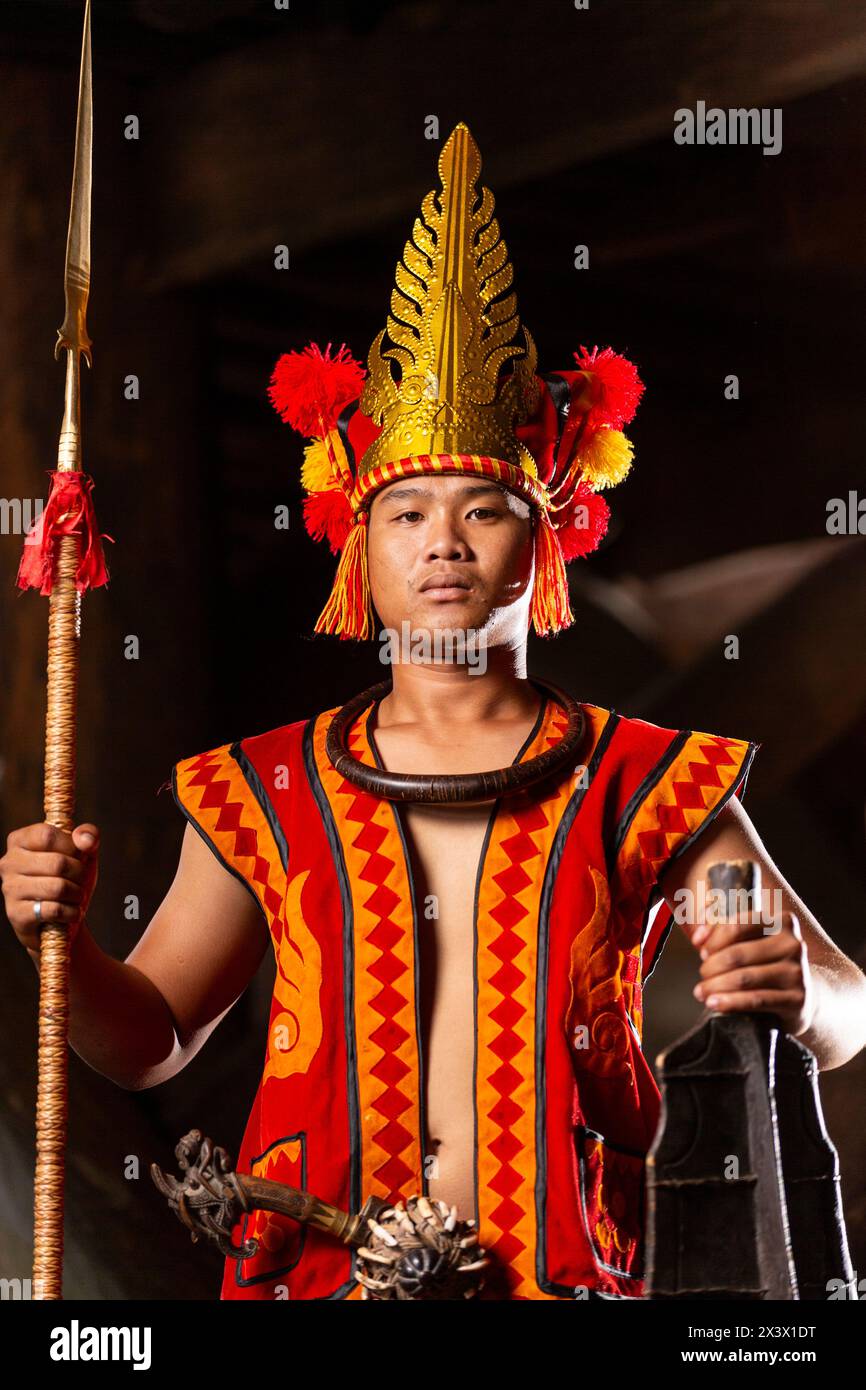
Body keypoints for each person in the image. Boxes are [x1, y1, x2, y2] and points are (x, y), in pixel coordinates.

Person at [3, 125, 865, 1302]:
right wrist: (61, 943)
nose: (443, 542)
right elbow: (151, 1041)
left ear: (547, 536)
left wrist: (792, 986)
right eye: (405, 513)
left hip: (578, 1275)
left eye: (482, 509)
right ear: (355, 544)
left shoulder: (644, 778)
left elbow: (847, 1010)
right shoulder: (265, 786)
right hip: (318, 1275)